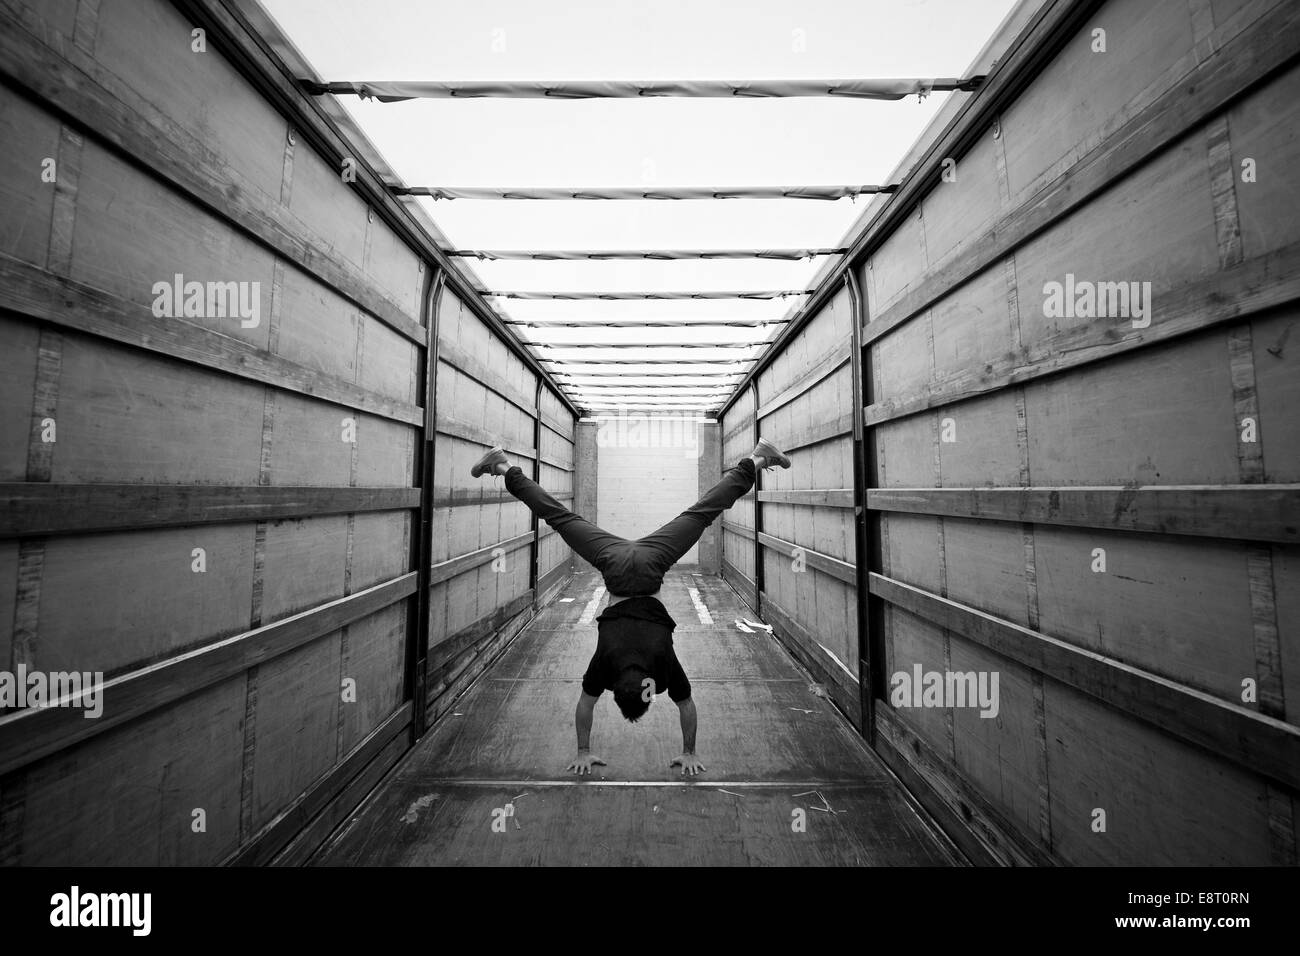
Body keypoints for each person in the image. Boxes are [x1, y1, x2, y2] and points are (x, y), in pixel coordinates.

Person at [469, 437, 791, 776]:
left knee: (703, 512)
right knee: (557, 515)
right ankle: (502, 465)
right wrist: (582, 751)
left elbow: (685, 703)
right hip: (615, 561)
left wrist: (689, 753)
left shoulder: (662, 666)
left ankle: (755, 459)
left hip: (652, 561)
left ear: (650, 688)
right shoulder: (605, 666)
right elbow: (586, 703)